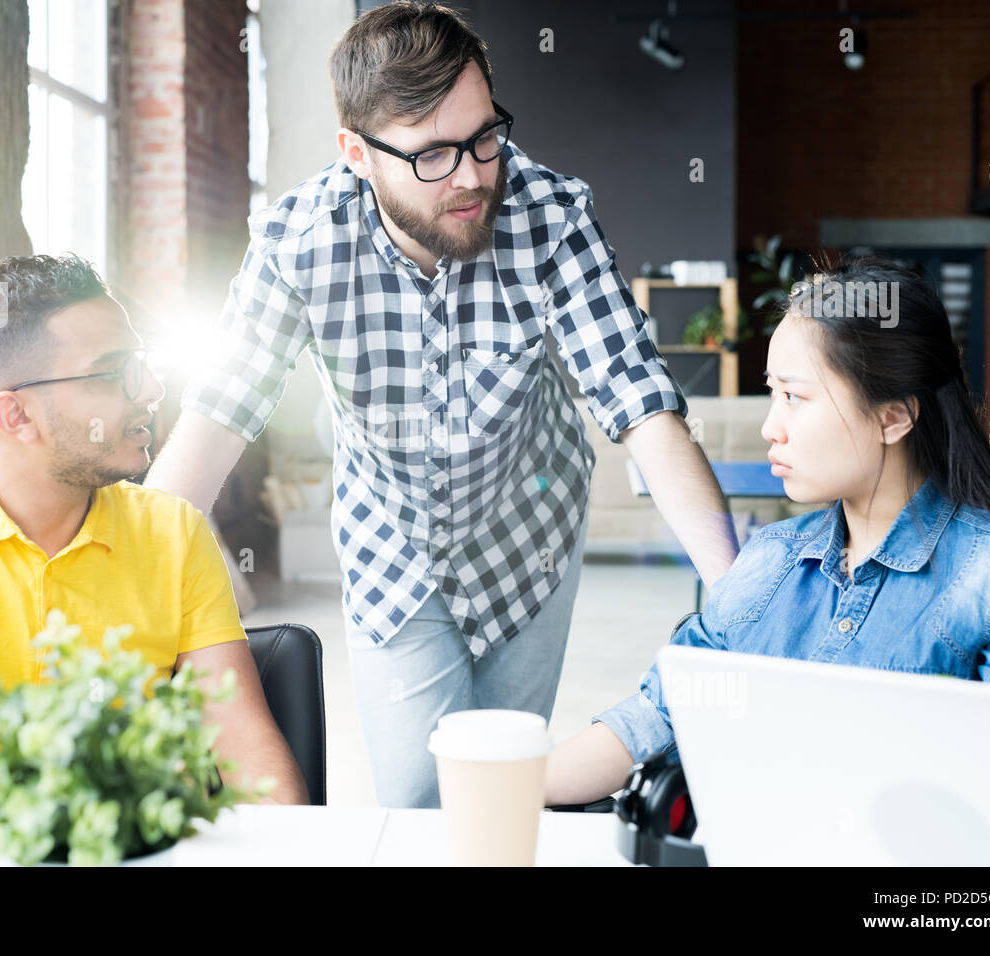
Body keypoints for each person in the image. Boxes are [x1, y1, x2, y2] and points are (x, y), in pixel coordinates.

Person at [144, 1, 738, 808]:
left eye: (484, 135)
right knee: (418, 802)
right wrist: (123, 606)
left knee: (496, 790)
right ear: (358, 152)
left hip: (529, 542)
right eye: (431, 155)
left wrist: (738, 600)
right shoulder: (298, 240)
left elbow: (642, 407)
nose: (471, 175)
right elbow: (213, 423)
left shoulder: (551, 216)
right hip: (392, 544)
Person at [0, 254, 309, 806]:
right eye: (114, 373)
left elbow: (246, 751)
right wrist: (45, 809)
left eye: (142, 365)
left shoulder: (174, 531)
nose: (151, 393)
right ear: (15, 416)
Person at [544, 256, 990, 808]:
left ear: (894, 418)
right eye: (772, 392)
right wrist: (506, 785)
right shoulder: (770, 557)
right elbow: (655, 715)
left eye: (794, 397)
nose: (770, 427)